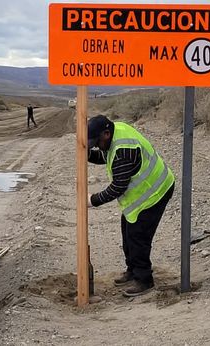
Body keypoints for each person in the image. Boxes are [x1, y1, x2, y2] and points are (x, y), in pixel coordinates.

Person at [87, 115, 175, 297]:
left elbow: (118, 186)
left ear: (106, 133)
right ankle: (132, 270)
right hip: (141, 195)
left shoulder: (123, 148)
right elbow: (106, 156)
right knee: (128, 232)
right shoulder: (115, 133)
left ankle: (144, 280)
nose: (96, 146)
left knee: (137, 237)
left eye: (96, 142)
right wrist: (88, 154)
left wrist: (93, 200)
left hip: (154, 192)